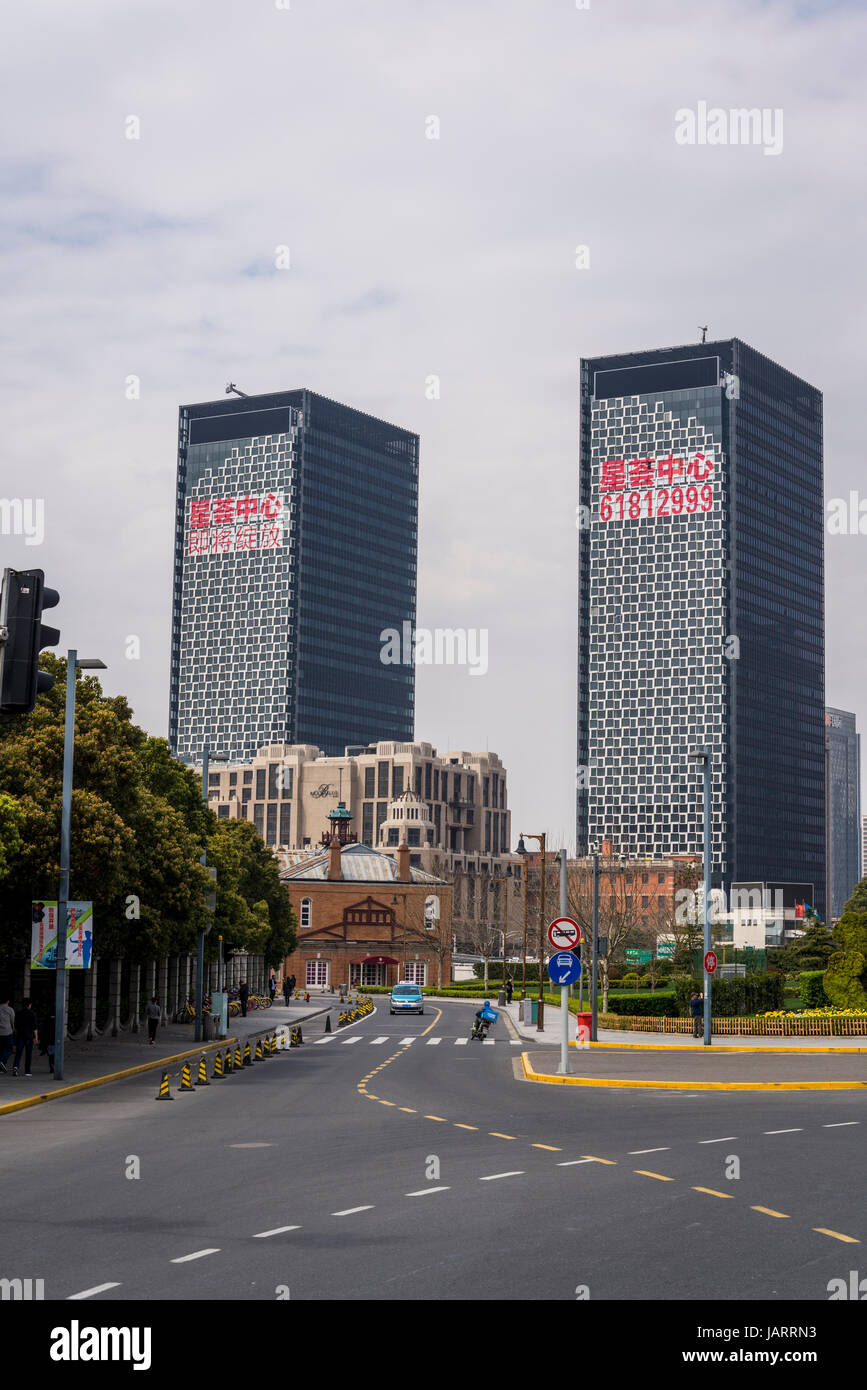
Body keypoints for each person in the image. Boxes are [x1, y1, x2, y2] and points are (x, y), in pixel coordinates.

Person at [13, 999, 39, 1076]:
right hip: (29, 1037)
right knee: (28, 1054)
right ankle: (27, 1071)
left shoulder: (18, 1013)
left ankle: (15, 1067)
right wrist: (36, 1038)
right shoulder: (32, 1014)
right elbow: (35, 1027)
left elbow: (16, 1027)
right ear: (29, 1005)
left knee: (18, 1054)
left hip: (20, 1036)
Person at [0, 994, 15, 1072]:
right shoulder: (10, 1010)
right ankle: (2, 1061)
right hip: (7, 1032)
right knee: (9, 1049)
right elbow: (12, 1021)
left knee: (1, 1050)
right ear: (8, 1001)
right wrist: (13, 1030)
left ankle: (2, 1067)